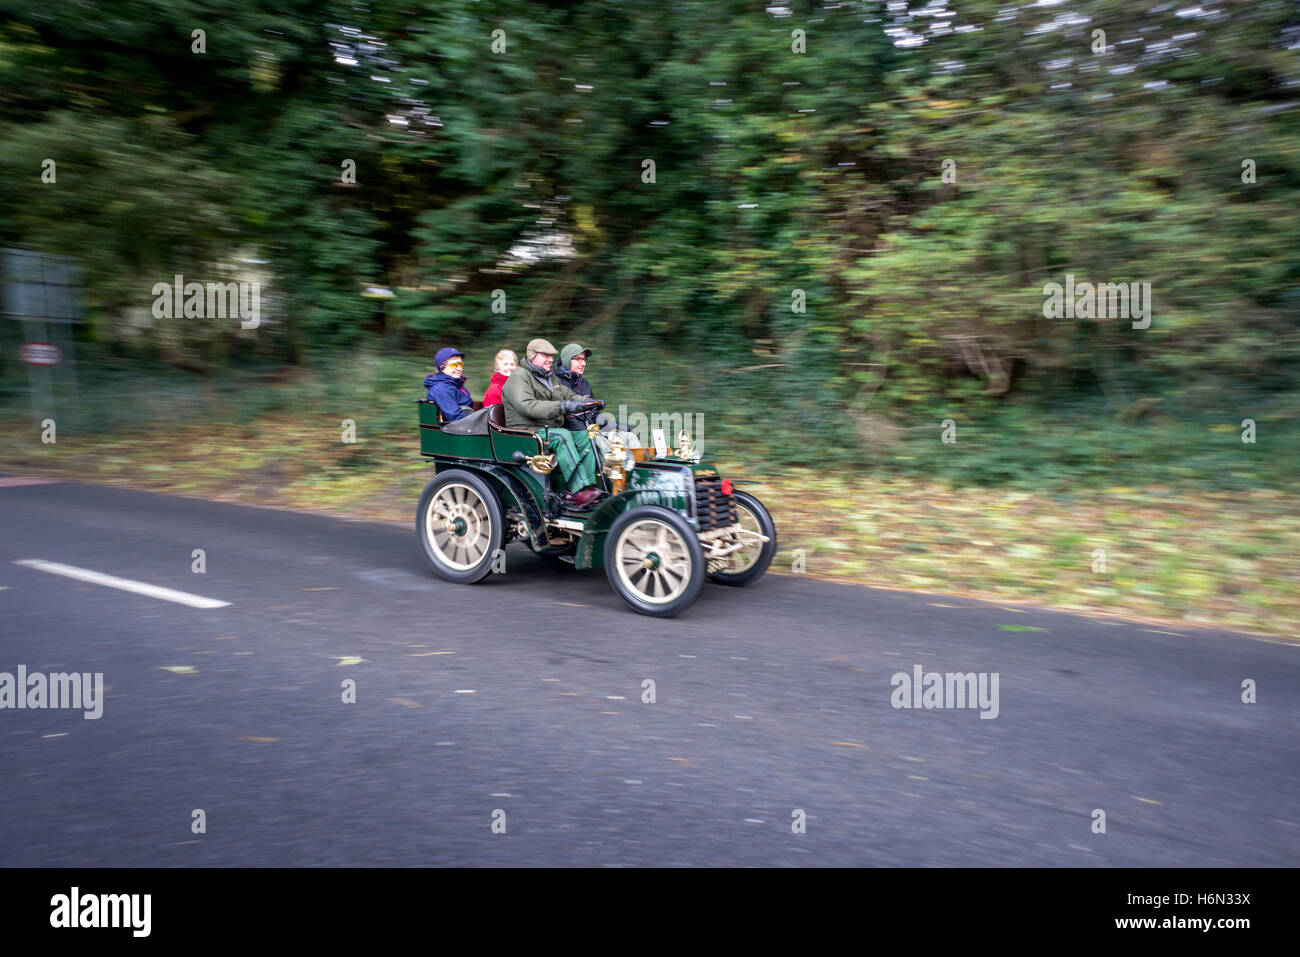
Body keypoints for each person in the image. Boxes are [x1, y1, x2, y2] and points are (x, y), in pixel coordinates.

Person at [502, 338, 605, 508]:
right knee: (562, 435)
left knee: (586, 436)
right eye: (545, 355)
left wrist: (589, 403)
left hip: (548, 429)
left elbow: (568, 395)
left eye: (551, 356)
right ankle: (575, 491)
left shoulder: (549, 377)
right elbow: (528, 406)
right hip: (526, 432)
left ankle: (589, 487)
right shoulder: (519, 376)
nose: (550, 359)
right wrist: (562, 407)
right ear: (532, 356)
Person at [556, 342, 641, 452]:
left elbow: (594, 415)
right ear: (567, 360)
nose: (583, 363)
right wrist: (593, 431)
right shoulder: (556, 384)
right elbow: (563, 419)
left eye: (584, 359)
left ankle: (638, 466)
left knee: (630, 437)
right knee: (606, 445)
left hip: (592, 431)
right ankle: (611, 468)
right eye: (578, 359)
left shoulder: (584, 384)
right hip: (575, 435)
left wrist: (617, 427)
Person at [424, 347, 474, 422]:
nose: (459, 368)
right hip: (456, 428)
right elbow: (455, 417)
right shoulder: (441, 389)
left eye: (460, 364)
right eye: (454, 365)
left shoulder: (455, 385)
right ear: (442, 367)